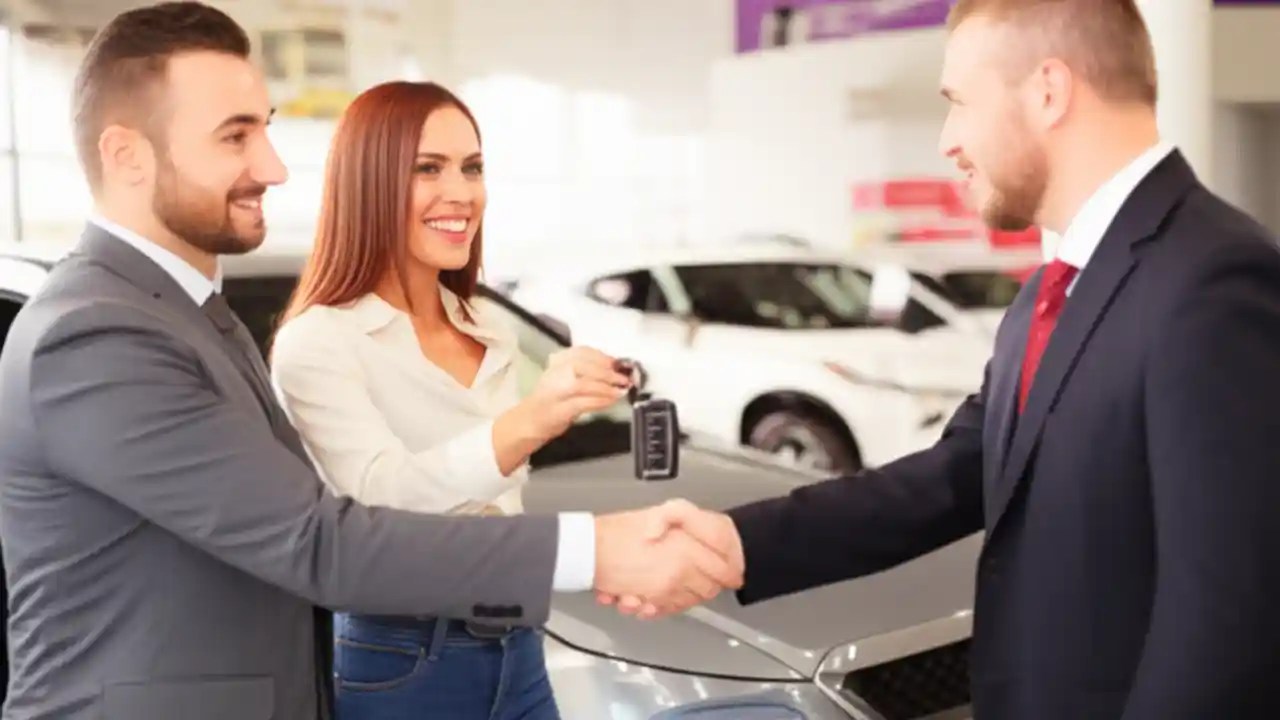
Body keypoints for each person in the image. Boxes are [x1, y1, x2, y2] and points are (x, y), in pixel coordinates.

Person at [0, 4, 743, 719]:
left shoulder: (191, 317)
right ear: (126, 154)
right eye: (235, 137)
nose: (275, 167)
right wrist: (597, 547)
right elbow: (321, 541)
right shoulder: (97, 336)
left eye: (267, 130)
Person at [610, 0, 1280, 717]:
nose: (948, 141)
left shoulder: (1213, 279)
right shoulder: (1051, 294)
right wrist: (735, 542)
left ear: (1049, 92)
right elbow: (956, 475)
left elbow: (1229, 620)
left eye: (958, 102)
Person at [268, 81, 612, 719]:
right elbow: (378, 502)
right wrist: (532, 419)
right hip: (401, 661)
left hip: (519, 643)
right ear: (368, 183)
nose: (462, 192)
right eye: (428, 168)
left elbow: (496, 502)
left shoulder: (485, 325)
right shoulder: (318, 342)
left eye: (472, 167)